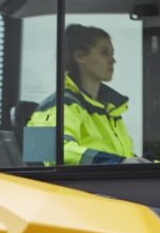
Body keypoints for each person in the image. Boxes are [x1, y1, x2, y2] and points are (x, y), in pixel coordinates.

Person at [27, 24, 143, 165]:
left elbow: (126, 158)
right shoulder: (54, 106)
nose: (112, 60)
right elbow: (51, 154)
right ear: (80, 56)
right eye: (104, 53)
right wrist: (117, 163)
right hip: (70, 187)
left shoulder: (110, 112)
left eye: (112, 54)